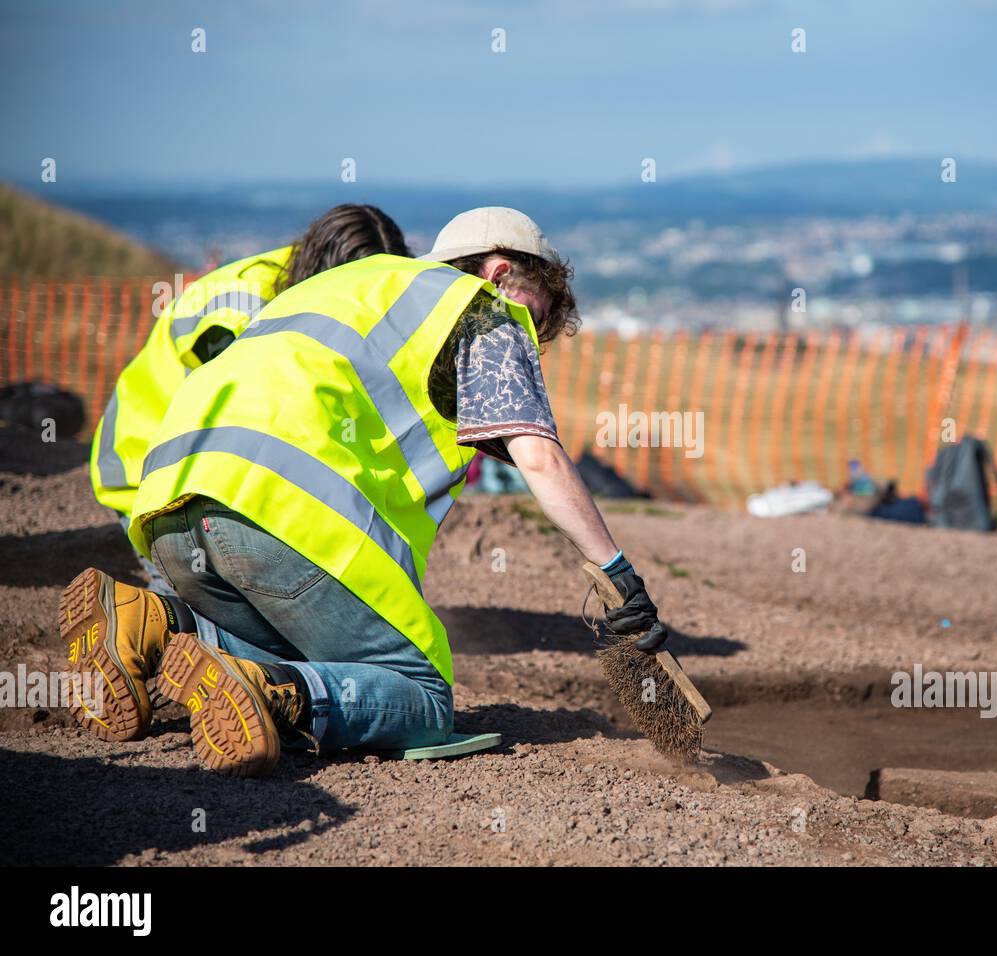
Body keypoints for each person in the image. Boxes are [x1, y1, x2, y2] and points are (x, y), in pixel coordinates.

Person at [61, 207, 666, 776]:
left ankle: (156, 622)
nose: (529, 347)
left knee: (294, 643)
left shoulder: (351, 285)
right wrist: (617, 574)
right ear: (500, 272)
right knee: (424, 698)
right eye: (533, 321)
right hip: (279, 514)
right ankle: (276, 695)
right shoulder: (482, 308)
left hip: (170, 504)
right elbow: (538, 455)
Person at [89, 204, 411, 592]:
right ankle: (155, 622)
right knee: (207, 591)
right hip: (144, 466)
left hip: (188, 464)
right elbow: (232, 439)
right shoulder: (241, 315)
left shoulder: (300, 289)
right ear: (333, 279)